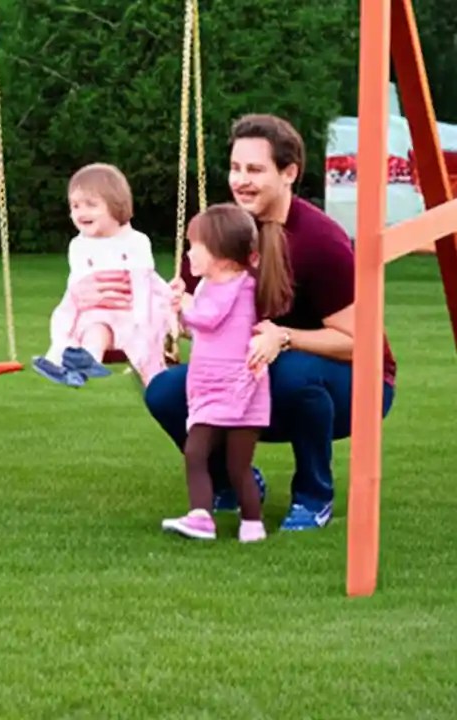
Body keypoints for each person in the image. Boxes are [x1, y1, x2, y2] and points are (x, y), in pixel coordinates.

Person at [141, 113, 397, 531]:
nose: (241, 180)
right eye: (236, 168)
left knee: (291, 371)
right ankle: (231, 481)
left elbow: (361, 342)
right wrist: (167, 316)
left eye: (255, 170)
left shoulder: (319, 241)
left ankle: (314, 496)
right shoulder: (221, 229)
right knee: (166, 391)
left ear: (289, 173)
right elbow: (197, 317)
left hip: (358, 387)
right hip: (252, 379)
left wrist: (285, 337)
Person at [160, 203, 292, 542]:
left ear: (219, 254)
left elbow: (208, 318)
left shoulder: (237, 286)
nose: (189, 253)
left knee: (226, 462)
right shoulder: (214, 285)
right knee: (216, 459)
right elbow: (201, 324)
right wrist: (182, 303)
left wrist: (186, 303)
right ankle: (211, 518)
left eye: (194, 246)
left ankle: (249, 521)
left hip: (237, 387)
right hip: (218, 386)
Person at [32, 163, 176, 387]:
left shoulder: (136, 241)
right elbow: (78, 288)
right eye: (75, 205)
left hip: (133, 311)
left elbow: (142, 286)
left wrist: (142, 322)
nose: (81, 212)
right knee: (93, 331)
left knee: (145, 350)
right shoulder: (78, 246)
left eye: (91, 204)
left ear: (116, 205)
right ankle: (79, 364)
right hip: (98, 313)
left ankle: (159, 386)